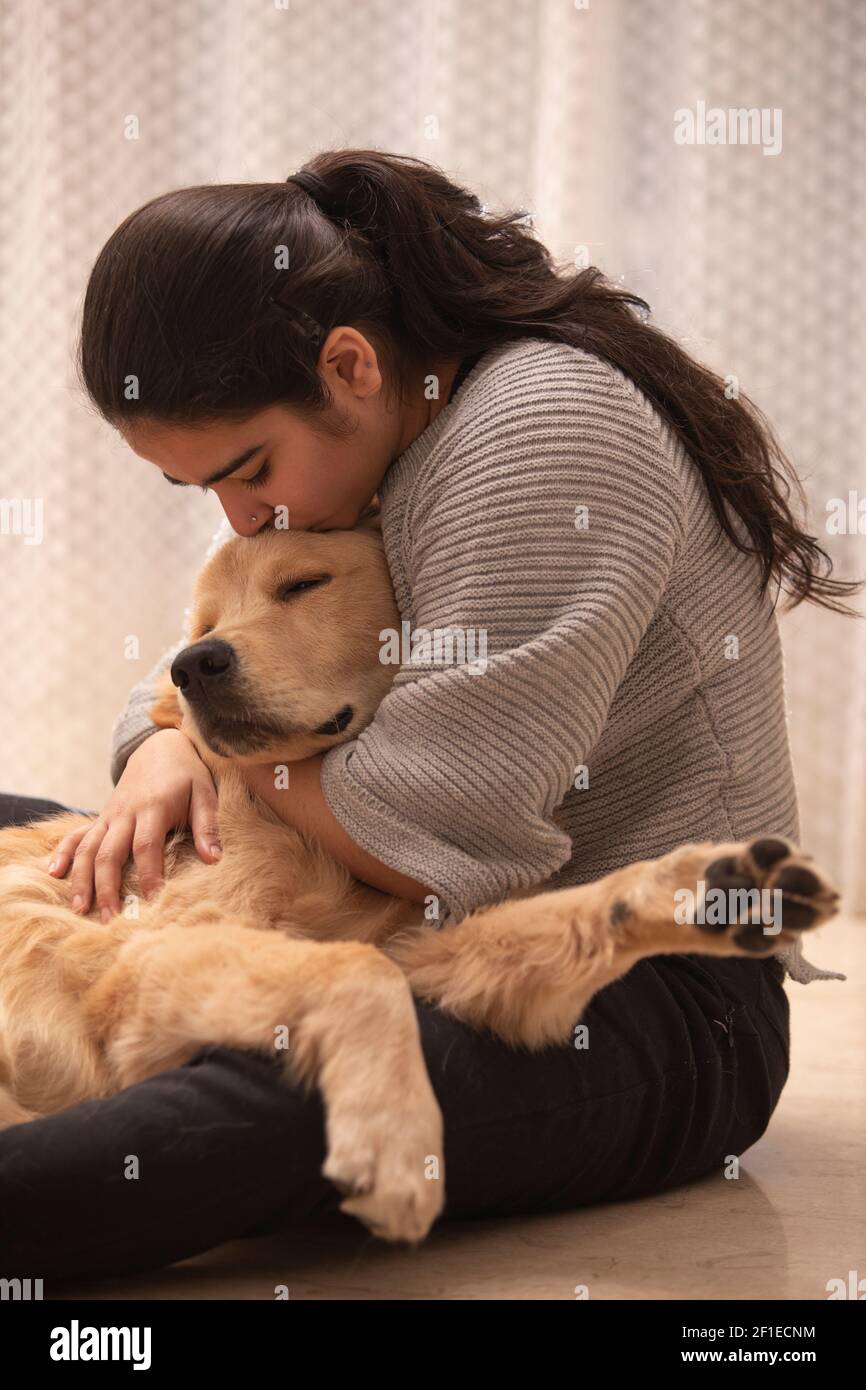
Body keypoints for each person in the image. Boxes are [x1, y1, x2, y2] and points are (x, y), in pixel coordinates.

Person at [0, 150, 856, 1281]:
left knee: (250, 1098)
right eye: (206, 489)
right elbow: (226, 640)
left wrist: (205, 747)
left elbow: (433, 829)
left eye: (249, 468)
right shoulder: (375, 446)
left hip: (632, 987)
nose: (246, 517)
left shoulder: (530, 431)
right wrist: (165, 736)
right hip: (376, 912)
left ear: (348, 365)